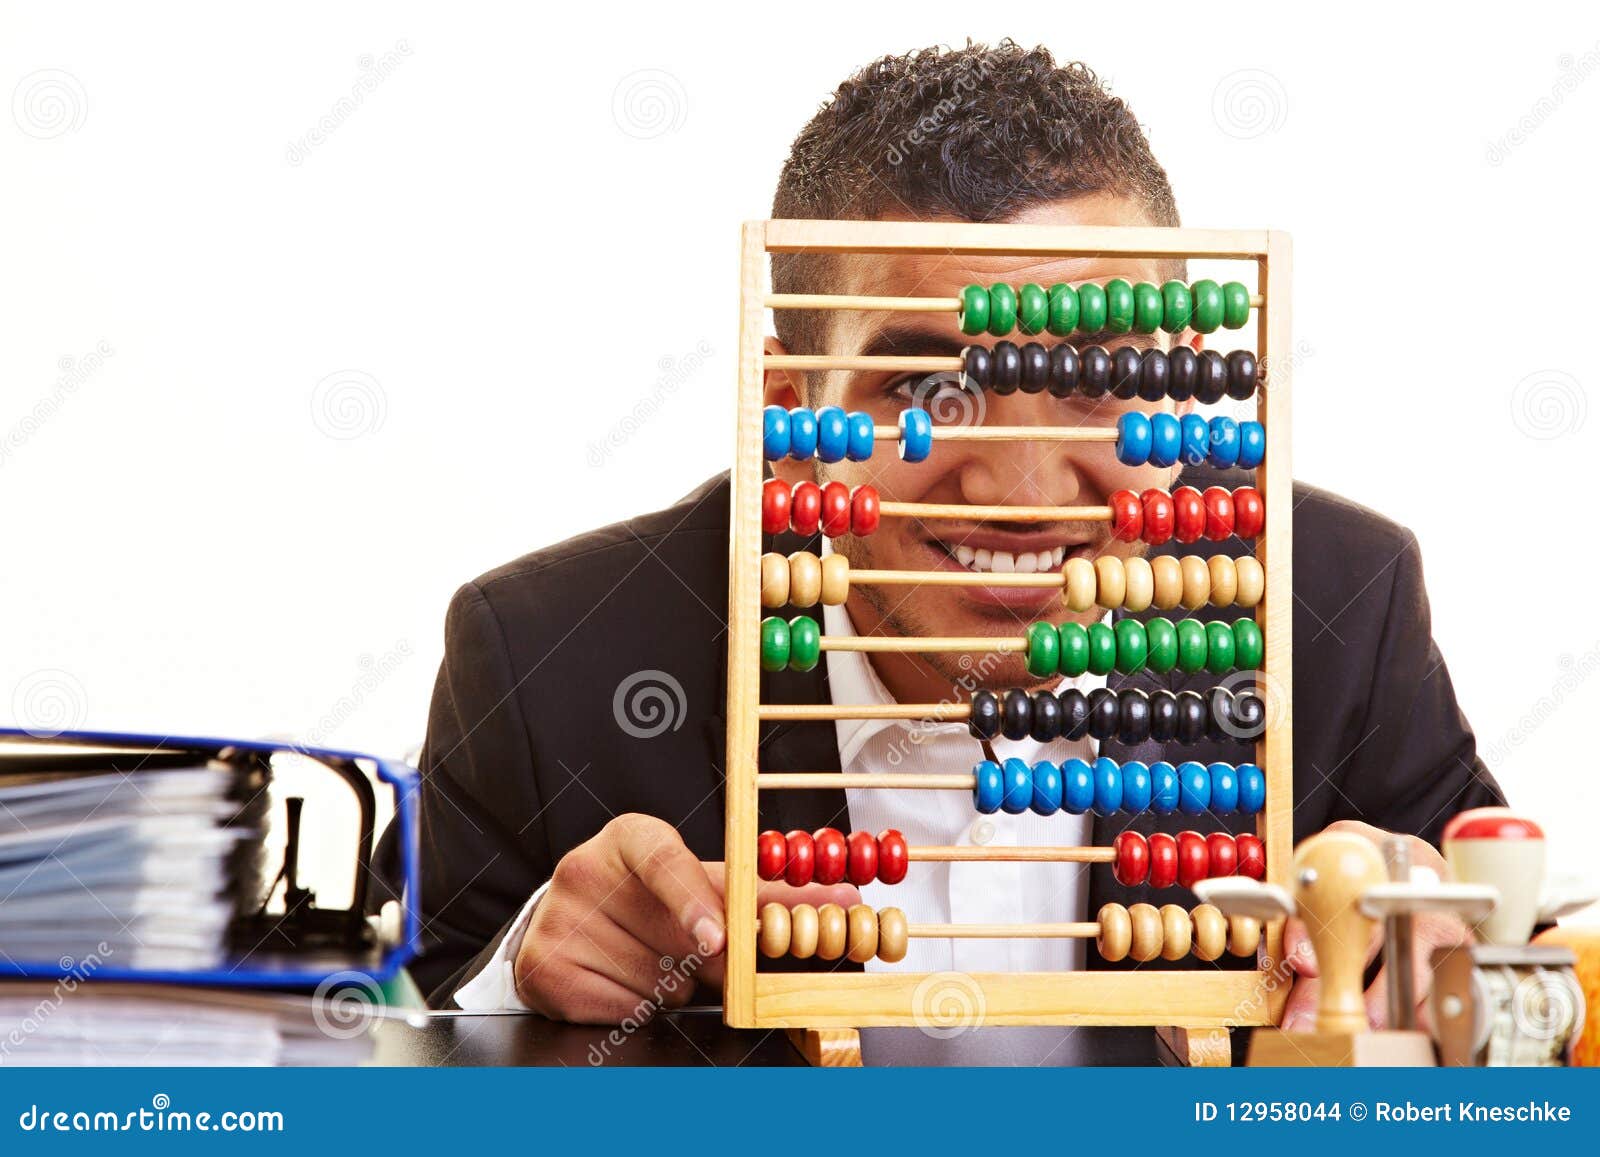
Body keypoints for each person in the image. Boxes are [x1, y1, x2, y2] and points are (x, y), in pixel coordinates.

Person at [379, 42, 1503, 1064]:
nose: (1018, 486)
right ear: (788, 415)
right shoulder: (553, 658)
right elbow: (352, 1040)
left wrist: (1452, 963)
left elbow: (1533, 995)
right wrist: (512, 974)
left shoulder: (1335, 609)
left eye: (1099, 381)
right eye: (923, 391)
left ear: (1186, 390)